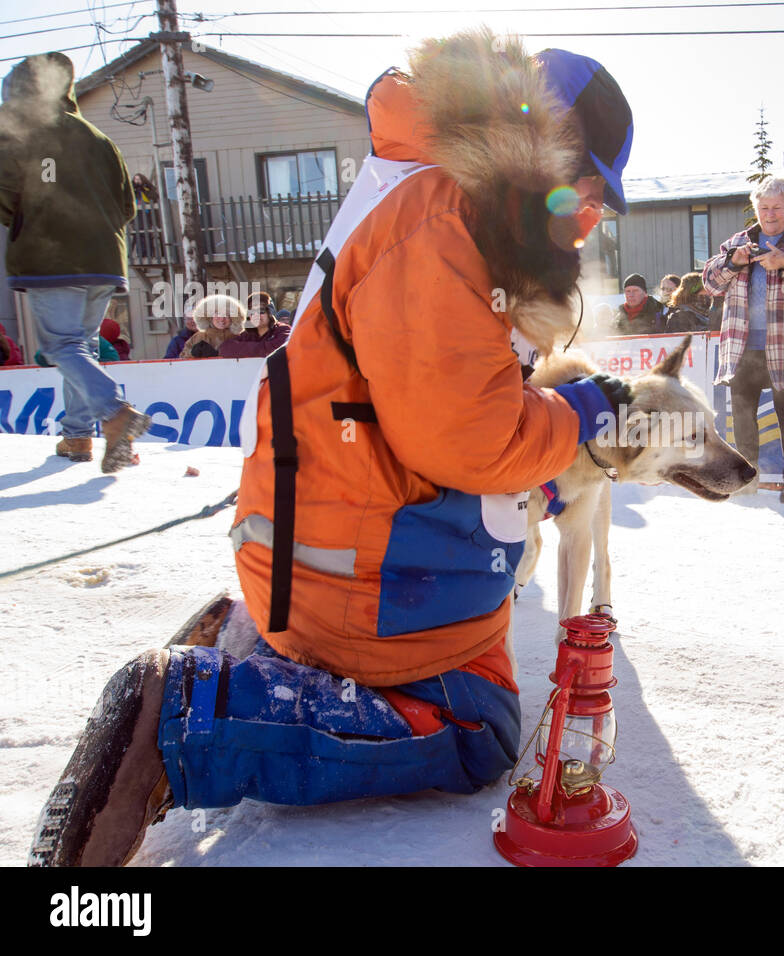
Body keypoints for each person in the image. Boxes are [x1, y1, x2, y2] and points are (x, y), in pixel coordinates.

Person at [29, 32, 636, 867]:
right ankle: (185, 719)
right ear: (540, 151)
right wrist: (579, 411)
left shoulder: (442, 209)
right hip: (357, 571)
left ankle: (253, 640)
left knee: (484, 670)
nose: (580, 230)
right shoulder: (441, 229)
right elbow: (476, 440)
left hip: (355, 547)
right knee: (478, 726)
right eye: (585, 201)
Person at [0, 52, 150, 472]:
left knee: (61, 346)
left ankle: (117, 414)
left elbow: (6, 193)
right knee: (79, 347)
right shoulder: (99, 139)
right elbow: (127, 204)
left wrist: (28, 220)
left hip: (53, 256)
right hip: (104, 259)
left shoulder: (22, 131)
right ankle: (78, 435)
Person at [703, 175, 784, 503]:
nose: (769, 214)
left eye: (777, 208)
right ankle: (748, 476)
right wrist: (731, 263)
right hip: (743, 346)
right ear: (755, 208)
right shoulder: (738, 243)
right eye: (763, 207)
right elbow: (710, 285)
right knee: (743, 414)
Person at [219, 291, 291, 358]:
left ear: (270, 313)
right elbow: (225, 348)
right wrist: (265, 347)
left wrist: (244, 349)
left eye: (261, 311)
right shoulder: (247, 335)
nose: (256, 315)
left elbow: (281, 348)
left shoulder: (283, 329)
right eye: (252, 312)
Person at [181, 294, 244, 358]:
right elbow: (182, 358)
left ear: (233, 318)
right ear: (209, 317)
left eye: (226, 315)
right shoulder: (198, 337)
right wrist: (193, 353)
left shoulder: (240, 337)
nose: (222, 319)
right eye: (218, 314)